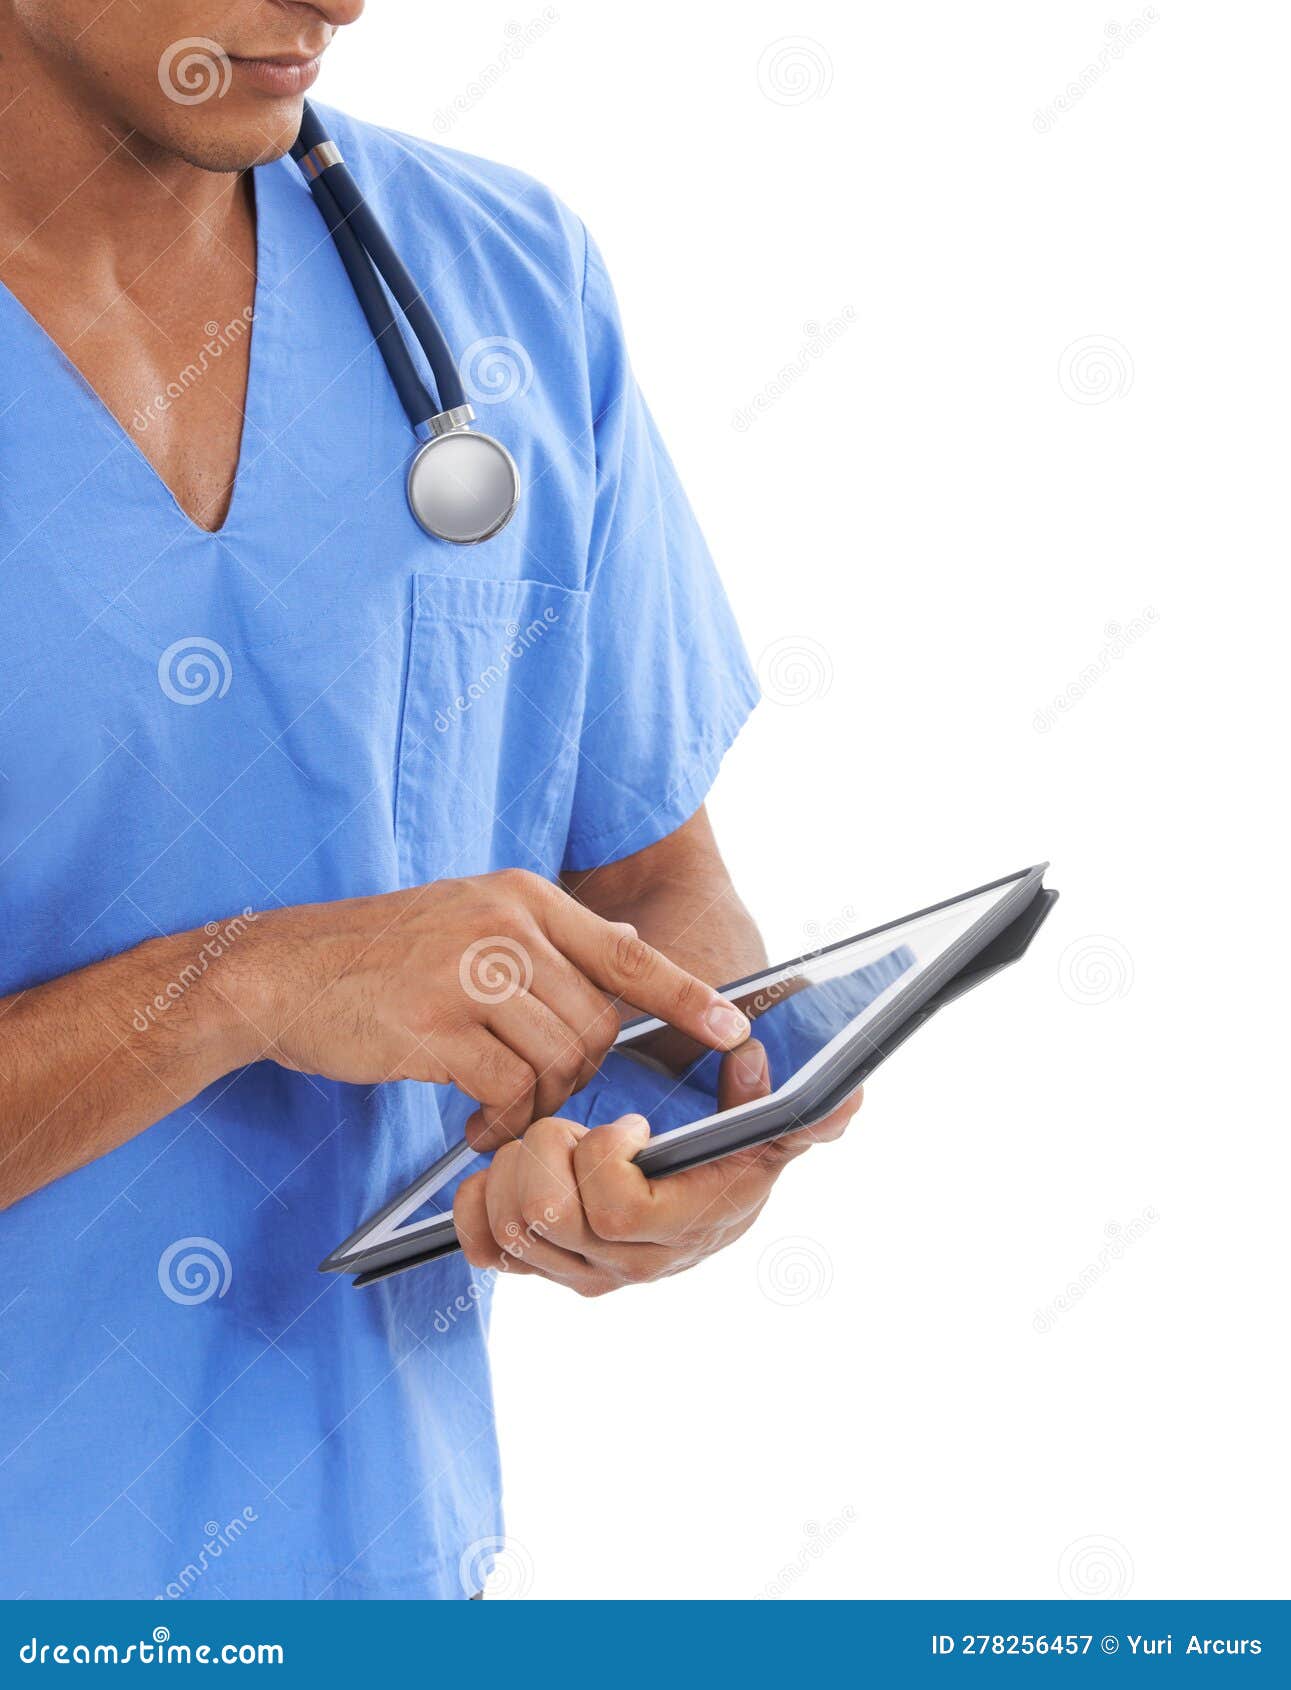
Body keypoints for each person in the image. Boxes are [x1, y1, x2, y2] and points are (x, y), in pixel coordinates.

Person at [0, 0, 861, 1599]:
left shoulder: (505, 282)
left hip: (375, 1571)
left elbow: (655, 885)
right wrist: (243, 987)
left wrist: (677, 1136)